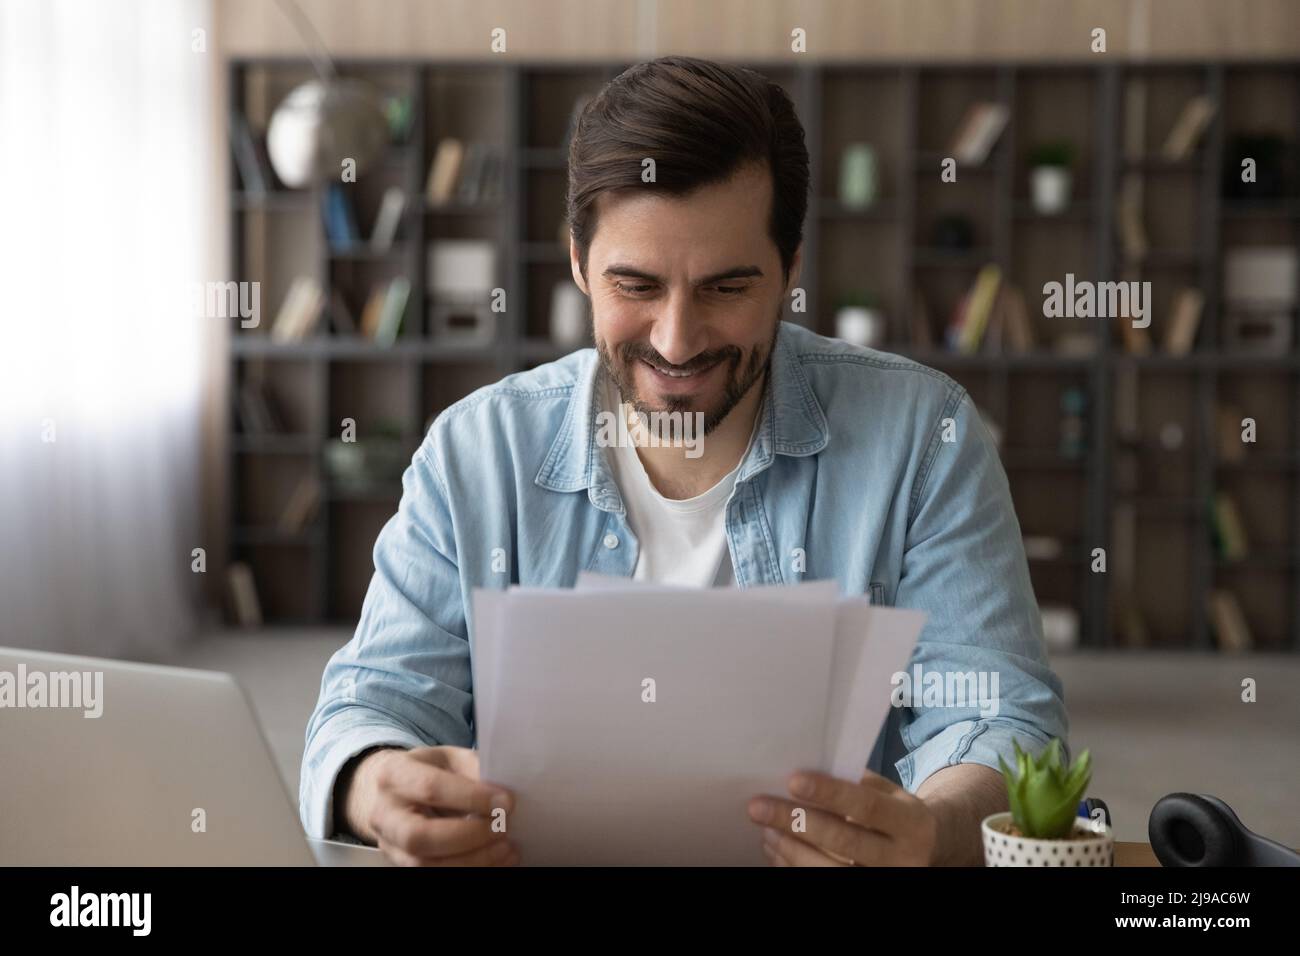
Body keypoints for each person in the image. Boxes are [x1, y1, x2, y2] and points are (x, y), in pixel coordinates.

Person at [300, 55, 1068, 867]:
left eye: (726, 289)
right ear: (577, 263)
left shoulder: (925, 436)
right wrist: (374, 782)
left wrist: (931, 832)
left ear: (791, 268)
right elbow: (370, 702)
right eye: (634, 286)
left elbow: (1000, 715)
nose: (675, 340)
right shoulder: (476, 451)